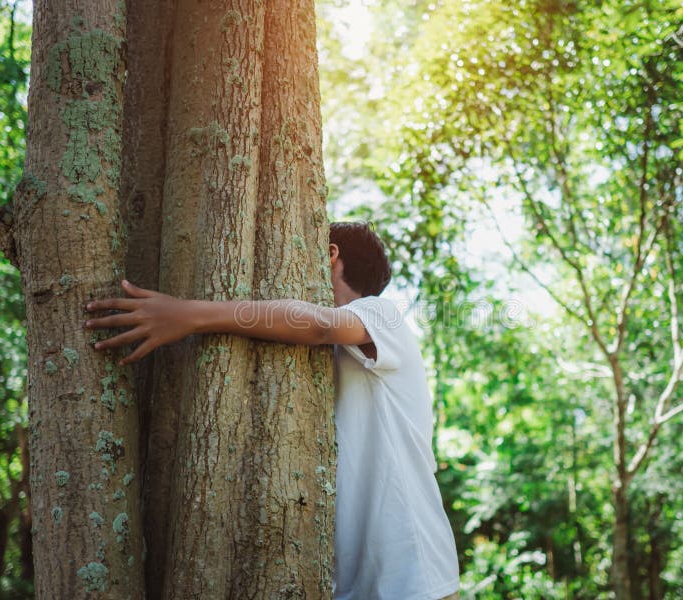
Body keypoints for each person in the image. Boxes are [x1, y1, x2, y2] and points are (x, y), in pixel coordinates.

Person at [85, 221, 460, 600]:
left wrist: (190, 314)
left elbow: (319, 324)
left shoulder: (382, 314)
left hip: (414, 573)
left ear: (330, 254)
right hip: (357, 585)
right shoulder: (336, 358)